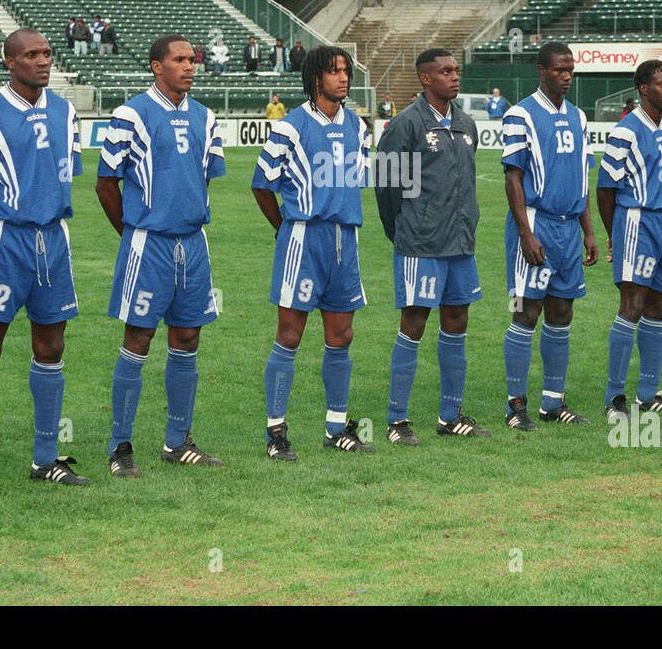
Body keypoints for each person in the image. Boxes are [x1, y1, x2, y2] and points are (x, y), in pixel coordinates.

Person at [0, 29, 86, 494]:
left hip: (53, 239)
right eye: (32, 54)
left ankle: (46, 457)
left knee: (51, 347)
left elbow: (65, 174)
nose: (43, 61)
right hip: (5, 239)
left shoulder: (66, 111)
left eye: (47, 54)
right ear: (9, 61)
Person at [97, 35, 227, 474]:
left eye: (192, 60)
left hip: (193, 244)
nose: (189, 67)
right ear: (157, 66)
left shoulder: (206, 117)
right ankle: (120, 446)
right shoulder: (131, 114)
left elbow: (206, 177)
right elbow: (106, 183)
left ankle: (177, 441)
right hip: (147, 244)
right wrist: (133, 231)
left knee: (188, 338)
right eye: (179, 60)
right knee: (138, 339)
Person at [252, 46, 372, 460]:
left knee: (341, 336)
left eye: (345, 71)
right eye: (334, 71)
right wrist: (285, 227)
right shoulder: (290, 127)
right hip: (304, 239)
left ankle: (336, 428)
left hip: (346, 240)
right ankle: (276, 432)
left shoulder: (359, 125)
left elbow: (361, 178)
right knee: (290, 335)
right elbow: (262, 184)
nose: (342, 78)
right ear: (315, 78)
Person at [376, 48, 489, 442]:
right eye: (445, 71)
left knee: (457, 322)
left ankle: (450, 415)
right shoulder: (405, 125)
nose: (454, 76)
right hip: (420, 244)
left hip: (460, 243)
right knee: (414, 323)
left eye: (456, 70)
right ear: (426, 79)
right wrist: (404, 230)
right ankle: (396, 420)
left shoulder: (466, 124)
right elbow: (387, 187)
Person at [500, 41, 599, 429]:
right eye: (559, 69)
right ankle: (516, 405)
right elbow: (513, 177)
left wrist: (589, 231)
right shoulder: (520, 114)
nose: (566, 75)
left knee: (562, 311)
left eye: (570, 70)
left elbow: (583, 177)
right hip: (537, 224)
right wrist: (525, 233)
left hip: (569, 228)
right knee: (526, 311)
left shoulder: (579, 117)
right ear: (541, 70)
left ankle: (553, 403)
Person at [597, 60, 662, 417]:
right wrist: (613, 235)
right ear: (643, 89)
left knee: (659, 306)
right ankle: (614, 398)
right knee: (631, 305)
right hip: (636, 221)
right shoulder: (627, 130)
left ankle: (648, 395)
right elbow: (605, 188)